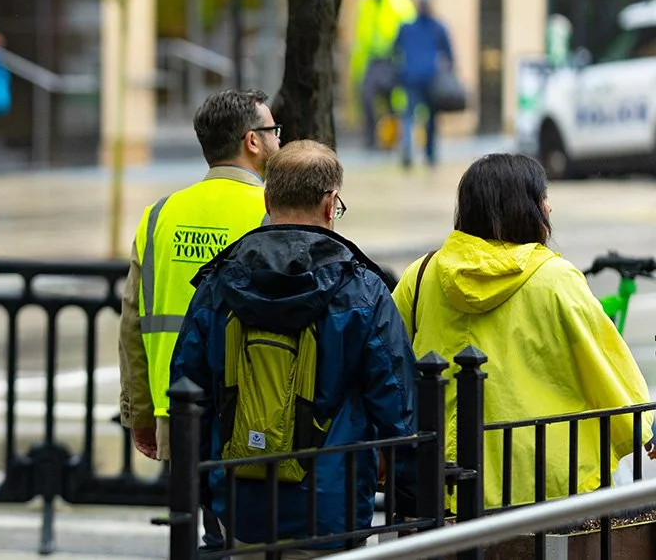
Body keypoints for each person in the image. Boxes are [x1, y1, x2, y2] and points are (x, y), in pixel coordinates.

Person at [170, 140, 417, 559]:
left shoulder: (219, 283)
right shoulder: (362, 290)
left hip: (240, 504)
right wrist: (411, 496)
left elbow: (186, 393)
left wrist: (209, 490)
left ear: (267, 199)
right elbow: (398, 406)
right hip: (332, 510)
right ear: (330, 203)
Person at [391, 153, 653, 510]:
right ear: (526, 208)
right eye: (543, 198)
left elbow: (386, 363)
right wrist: (643, 428)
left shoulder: (419, 276)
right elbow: (603, 363)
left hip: (446, 481)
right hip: (546, 480)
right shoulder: (555, 279)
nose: (549, 208)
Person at [119, 88, 280, 550]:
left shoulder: (159, 216)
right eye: (273, 132)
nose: (278, 141)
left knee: (199, 531)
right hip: (257, 414)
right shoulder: (273, 213)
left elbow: (134, 324)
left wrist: (141, 414)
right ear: (252, 141)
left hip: (179, 411)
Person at [393, 0, 454, 168]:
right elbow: (449, 55)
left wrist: (401, 69)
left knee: (409, 116)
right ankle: (430, 153)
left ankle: (408, 151)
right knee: (430, 118)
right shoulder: (438, 27)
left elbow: (395, 49)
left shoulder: (407, 28)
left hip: (411, 77)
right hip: (430, 79)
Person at [350, 0, 416, 150]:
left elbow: (410, 36)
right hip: (372, 61)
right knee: (367, 98)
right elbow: (361, 37)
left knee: (394, 103)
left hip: (394, 60)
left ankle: (394, 140)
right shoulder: (365, 5)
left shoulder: (400, 4)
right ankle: (371, 139)